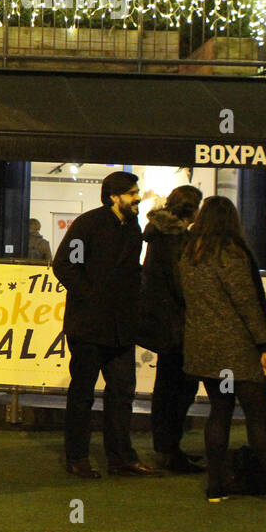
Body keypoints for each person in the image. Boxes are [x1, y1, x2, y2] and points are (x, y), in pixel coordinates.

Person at [52, 171, 161, 478]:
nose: (137, 197)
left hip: (121, 328)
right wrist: (92, 296)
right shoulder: (88, 224)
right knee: (83, 394)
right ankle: (77, 457)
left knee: (122, 393)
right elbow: (63, 265)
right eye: (132, 193)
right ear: (114, 196)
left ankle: (121, 458)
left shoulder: (132, 227)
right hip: (88, 326)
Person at [179, 196, 266, 503]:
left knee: (219, 413)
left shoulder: (189, 255)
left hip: (204, 350)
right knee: (257, 418)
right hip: (238, 349)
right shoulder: (232, 255)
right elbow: (247, 304)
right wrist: (264, 345)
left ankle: (216, 486)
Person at [140, 186, 206, 473]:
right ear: (192, 209)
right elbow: (183, 285)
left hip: (163, 323)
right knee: (180, 388)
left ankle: (166, 448)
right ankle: (169, 449)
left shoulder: (159, 236)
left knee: (168, 387)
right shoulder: (177, 239)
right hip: (178, 325)